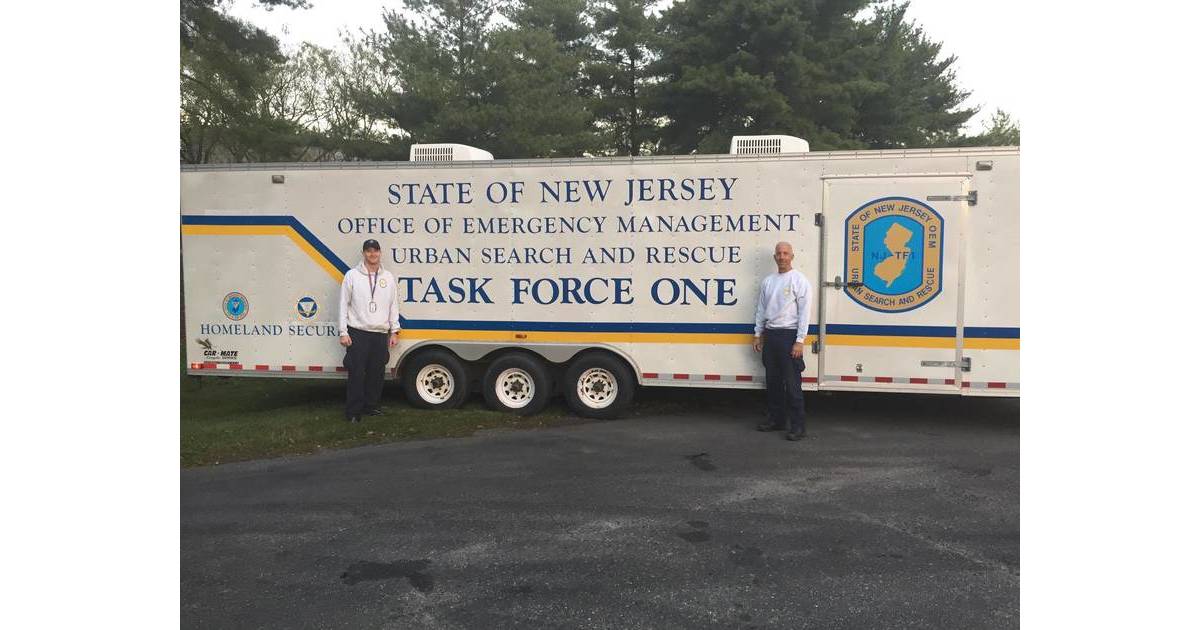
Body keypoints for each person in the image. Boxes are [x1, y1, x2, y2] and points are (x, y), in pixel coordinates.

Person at [752, 241, 813, 441]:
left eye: (786, 253)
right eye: (779, 253)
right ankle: (776, 420)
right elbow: (761, 310)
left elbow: (805, 313)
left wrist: (800, 340)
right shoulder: (768, 282)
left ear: (792, 256)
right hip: (771, 336)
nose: (782, 257)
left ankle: (798, 426)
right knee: (773, 383)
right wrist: (758, 334)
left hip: (789, 336)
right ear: (774, 257)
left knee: (792, 385)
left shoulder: (799, 280)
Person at [338, 239, 401, 423]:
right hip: (358, 332)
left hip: (380, 333)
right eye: (369, 251)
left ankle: (371, 406)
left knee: (376, 373)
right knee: (356, 373)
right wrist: (343, 332)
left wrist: (394, 331)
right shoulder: (352, 275)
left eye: (375, 251)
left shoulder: (388, 277)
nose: (372, 254)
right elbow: (343, 304)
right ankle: (353, 412)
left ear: (380, 253)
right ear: (363, 253)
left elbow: (393, 305)